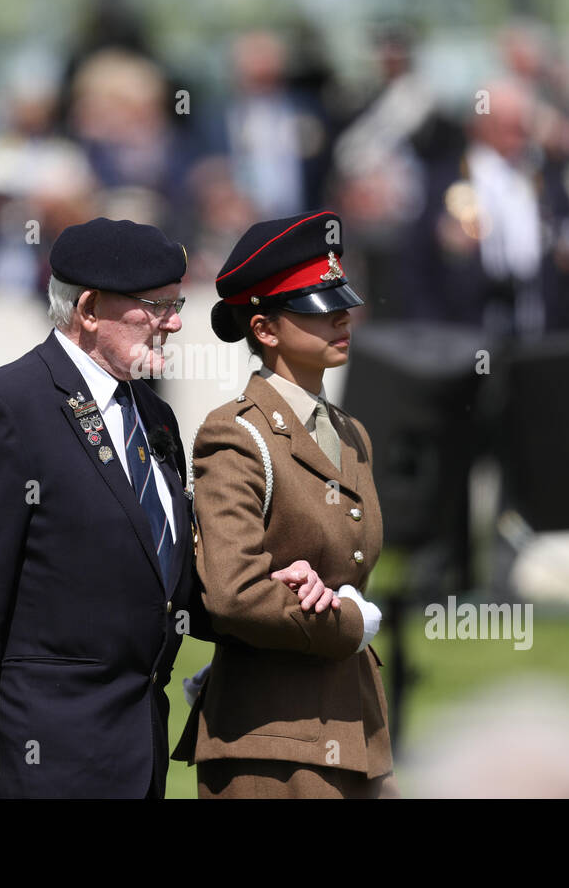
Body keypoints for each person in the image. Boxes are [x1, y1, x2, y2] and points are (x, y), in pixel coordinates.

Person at [0, 217, 333, 798]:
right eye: (157, 305)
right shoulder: (5, 408)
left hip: (137, 748)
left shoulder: (153, 416)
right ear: (89, 309)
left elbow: (163, 572)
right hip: (40, 753)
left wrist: (270, 587)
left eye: (176, 302)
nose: (176, 321)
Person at [172, 210, 398, 798]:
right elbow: (233, 590)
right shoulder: (236, 436)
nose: (342, 317)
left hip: (353, 726)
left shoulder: (351, 434)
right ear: (266, 330)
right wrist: (349, 622)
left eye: (342, 302)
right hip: (272, 741)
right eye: (317, 310)